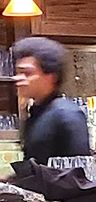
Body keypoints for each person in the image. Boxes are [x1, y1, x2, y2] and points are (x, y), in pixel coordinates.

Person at [12, 36, 90, 165]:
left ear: (51, 77)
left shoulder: (66, 114)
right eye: (18, 72)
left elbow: (78, 171)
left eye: (27, 73)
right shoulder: (36, 113)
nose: (17, 78)